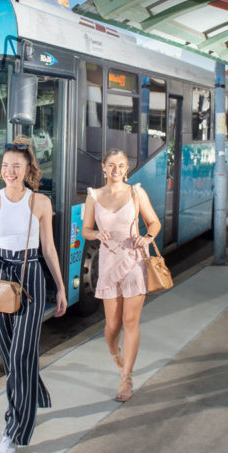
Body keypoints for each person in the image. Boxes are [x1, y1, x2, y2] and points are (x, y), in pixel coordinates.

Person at [0, 140, 68, 453]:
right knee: (11, 354)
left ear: (28, 169)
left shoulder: (40, 203)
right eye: (5, 165)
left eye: (16, 166)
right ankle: (37, 392)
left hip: (30, 277)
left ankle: (13, 431)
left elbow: (49, 249)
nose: (9, 172)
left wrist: (59, 287)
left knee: (19, 356)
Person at [81, 148, 162, 402]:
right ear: (104, 168)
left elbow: (154, 222)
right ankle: (114, 351)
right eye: (112, 165)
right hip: (107, 264)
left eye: (122, 165)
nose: (117, 170)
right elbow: (86, 229)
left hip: (134, 261)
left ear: (127, 169)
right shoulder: (94, 196)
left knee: (130, 322)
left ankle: (126, 377)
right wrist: (96, 234)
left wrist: (147, 238)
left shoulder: (136, 192)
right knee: (112, 326)